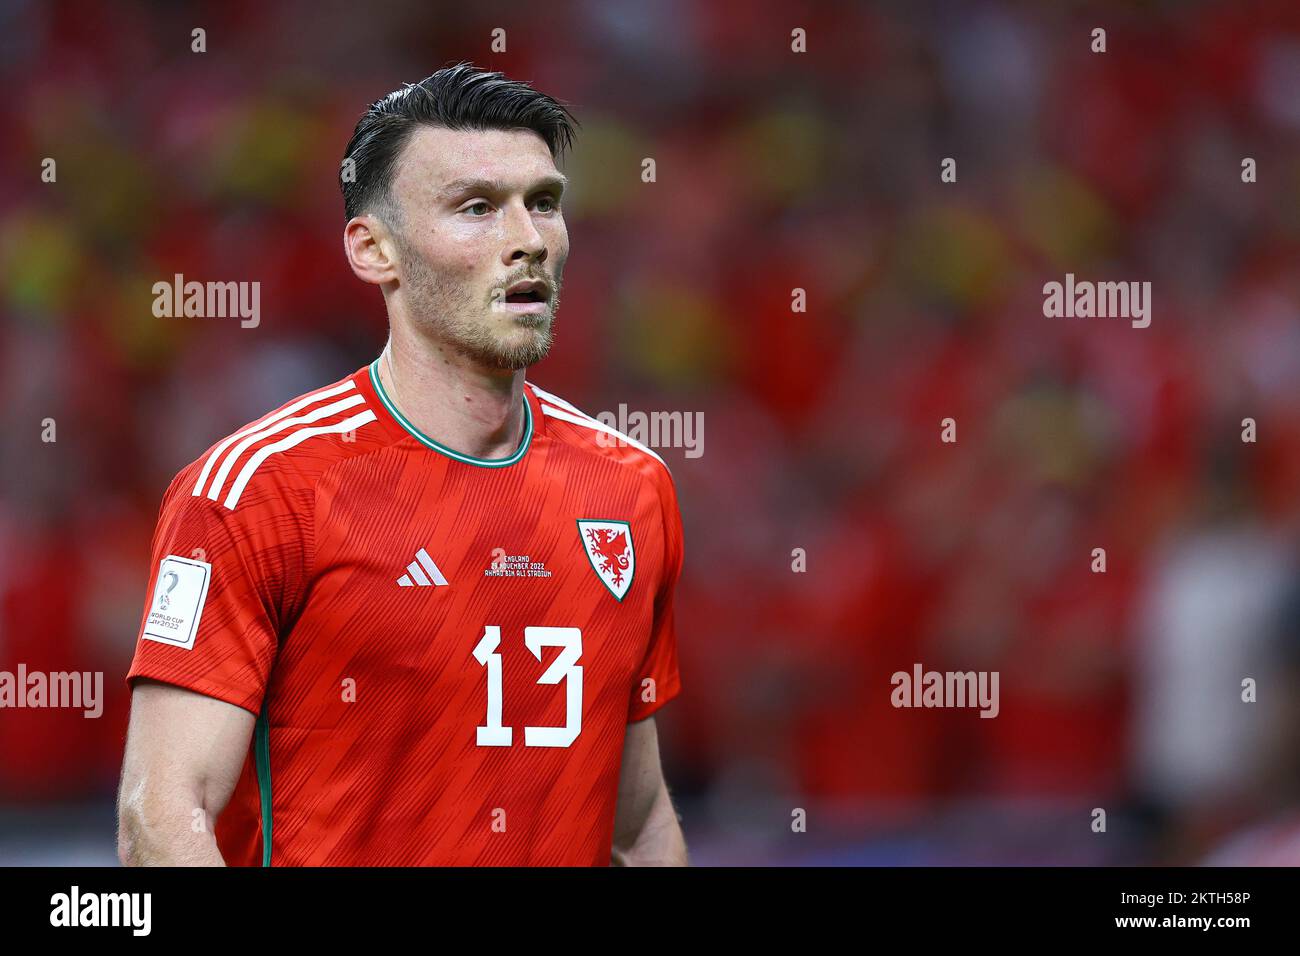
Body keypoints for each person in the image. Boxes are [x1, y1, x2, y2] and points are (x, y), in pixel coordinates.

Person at [116, 62, 687, 866]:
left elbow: (639, 821)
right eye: (478, 208)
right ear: (373, 248)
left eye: (544, 203)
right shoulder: (256, 492)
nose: (527, 238)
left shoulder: (630, 489)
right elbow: (164, 815)